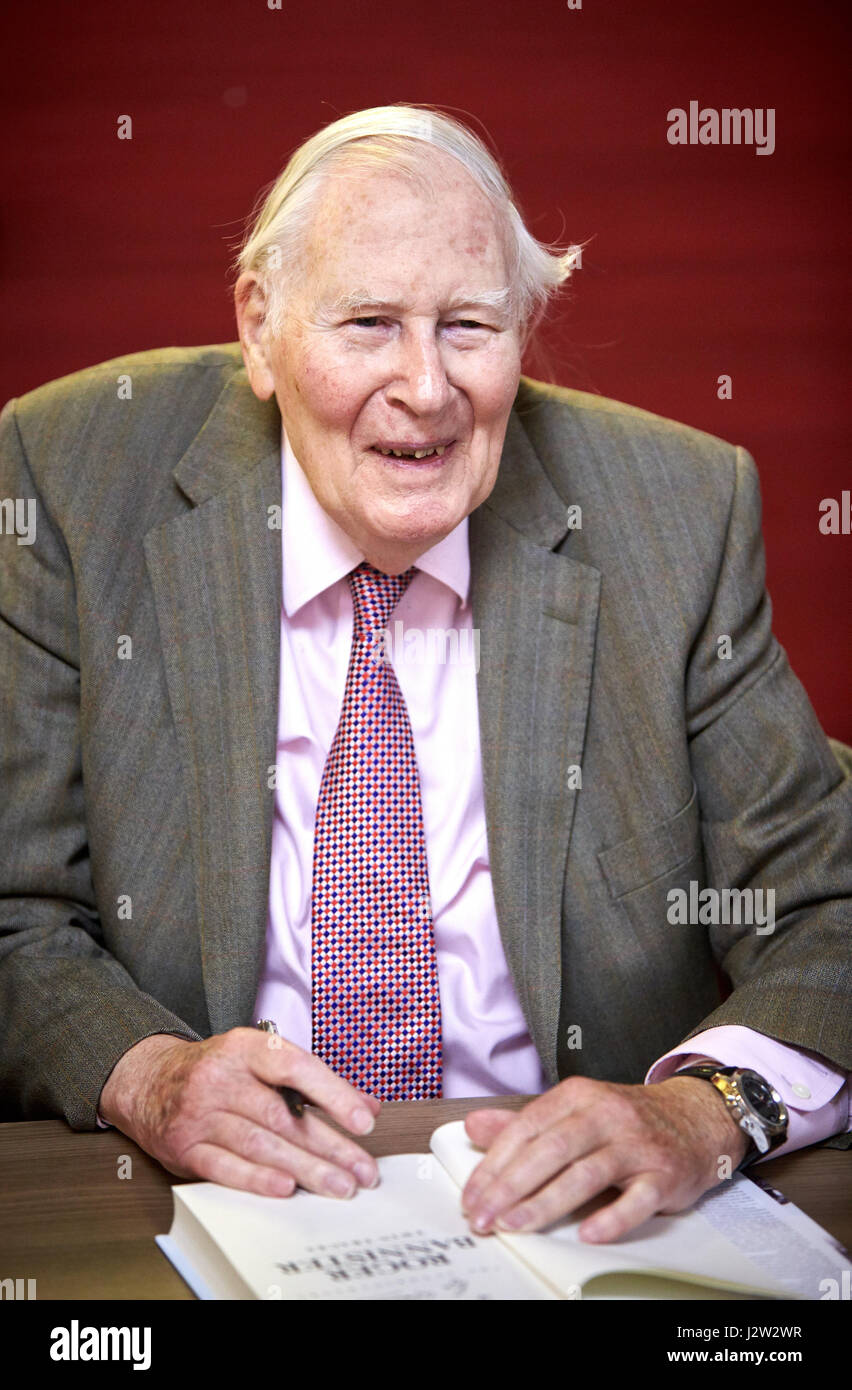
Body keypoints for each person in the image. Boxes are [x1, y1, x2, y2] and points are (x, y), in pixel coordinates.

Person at [0, 104, 849, 1248]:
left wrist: (699, 1112)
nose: (426, 387)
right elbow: (16, 912)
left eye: (467, 326)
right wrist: (147, 1075)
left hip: (573, 1238)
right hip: (208, 1216)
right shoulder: (67, 472)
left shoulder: (678, 514)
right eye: (367, 323)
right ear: (260, 327)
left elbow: (827, 909)